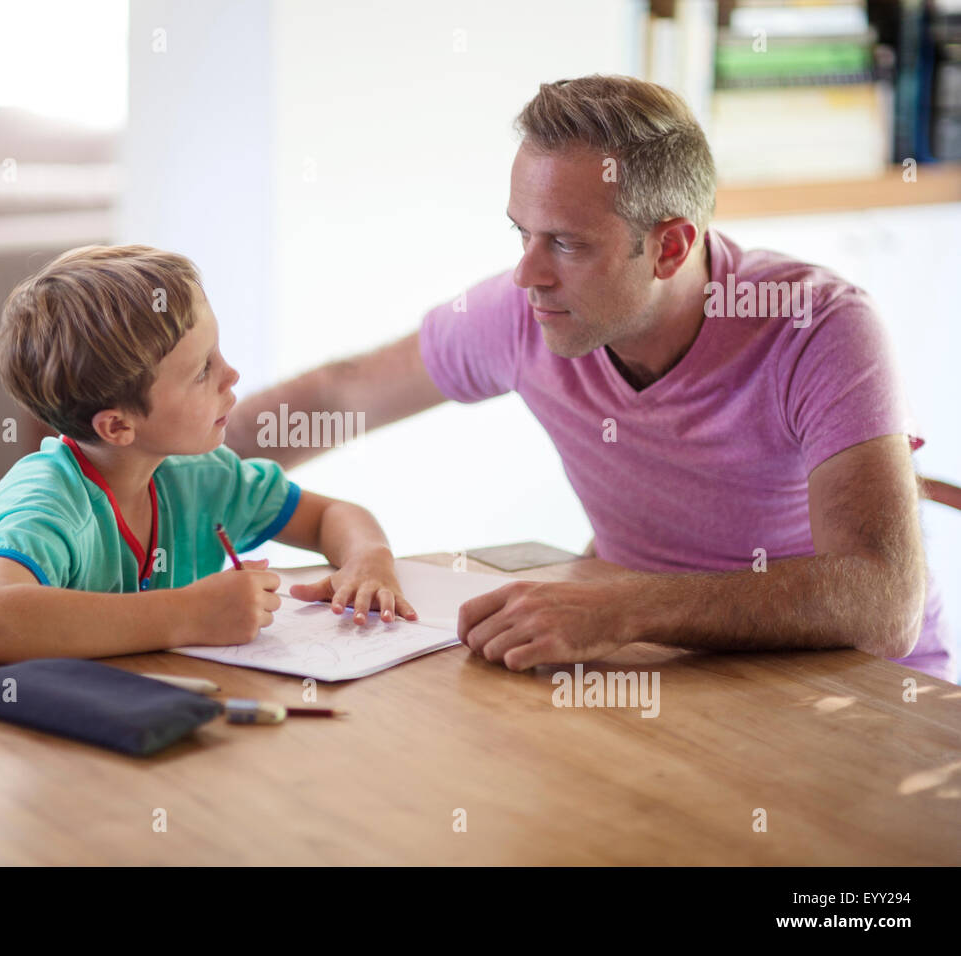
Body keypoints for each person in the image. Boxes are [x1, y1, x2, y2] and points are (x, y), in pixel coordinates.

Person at [225, 75, 953, 682]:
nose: (527, 274)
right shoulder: (528, 310)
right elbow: (342, 393)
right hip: (663, 667)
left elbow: (881, 601)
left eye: (567, 244)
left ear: (669, 247)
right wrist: (156, 471)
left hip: (860, 692)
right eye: (522, 233)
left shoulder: (818, 327)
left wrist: (627, 607)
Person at [0, 244, 417, 664]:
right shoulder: (50, 506)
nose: (232, 375)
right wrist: (188, 614)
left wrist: (368, 558)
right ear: (119, 425)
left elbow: (330, 515)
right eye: (202, 371)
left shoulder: (197, 475)